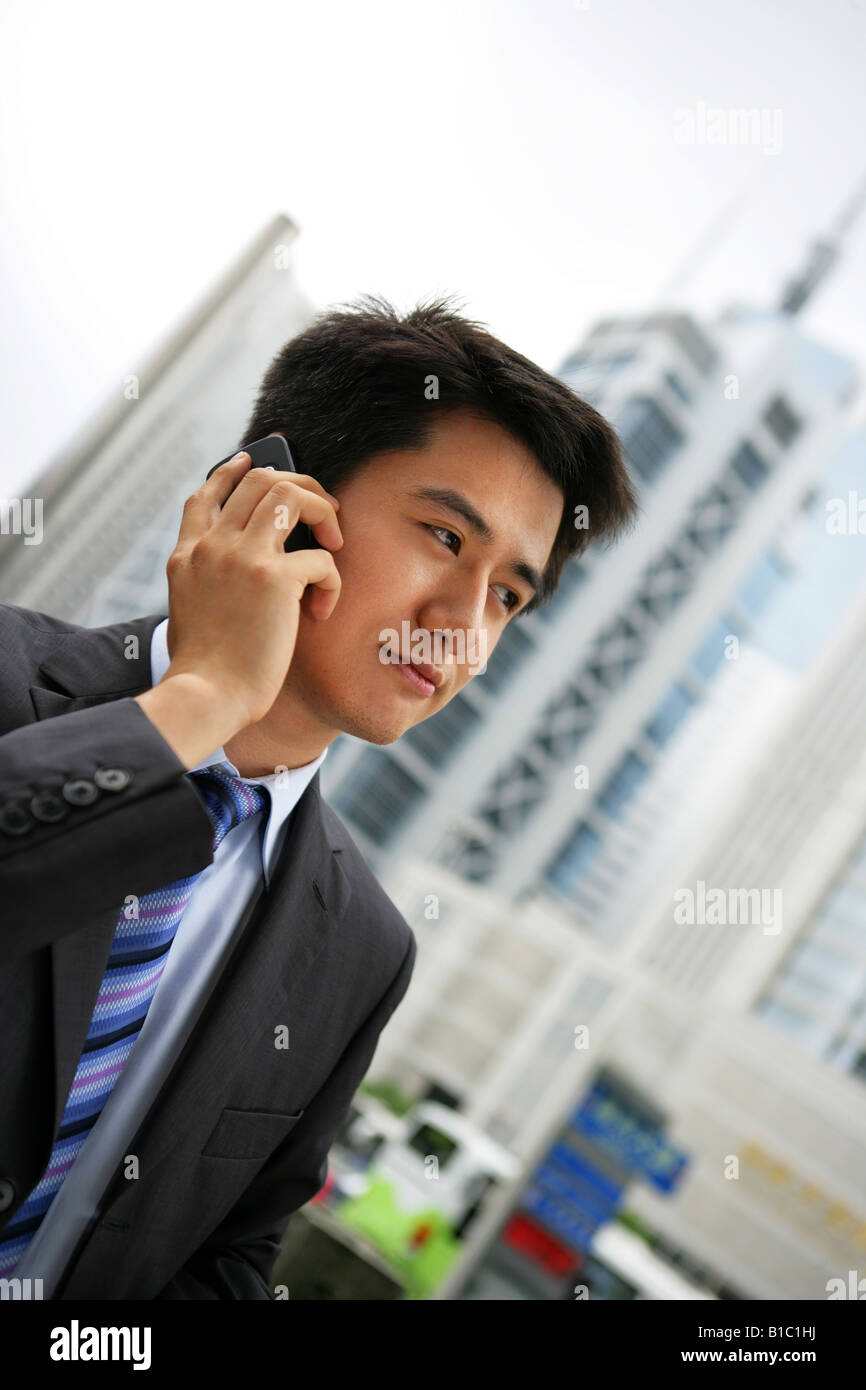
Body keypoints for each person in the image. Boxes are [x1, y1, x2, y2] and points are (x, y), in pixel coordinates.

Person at [0, 294, 638, 1299]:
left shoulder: (363, 949)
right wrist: (201, 700)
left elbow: (228, 1254)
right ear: (274, 498)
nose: (462, 628)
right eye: (441, 536)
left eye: (507, 596)